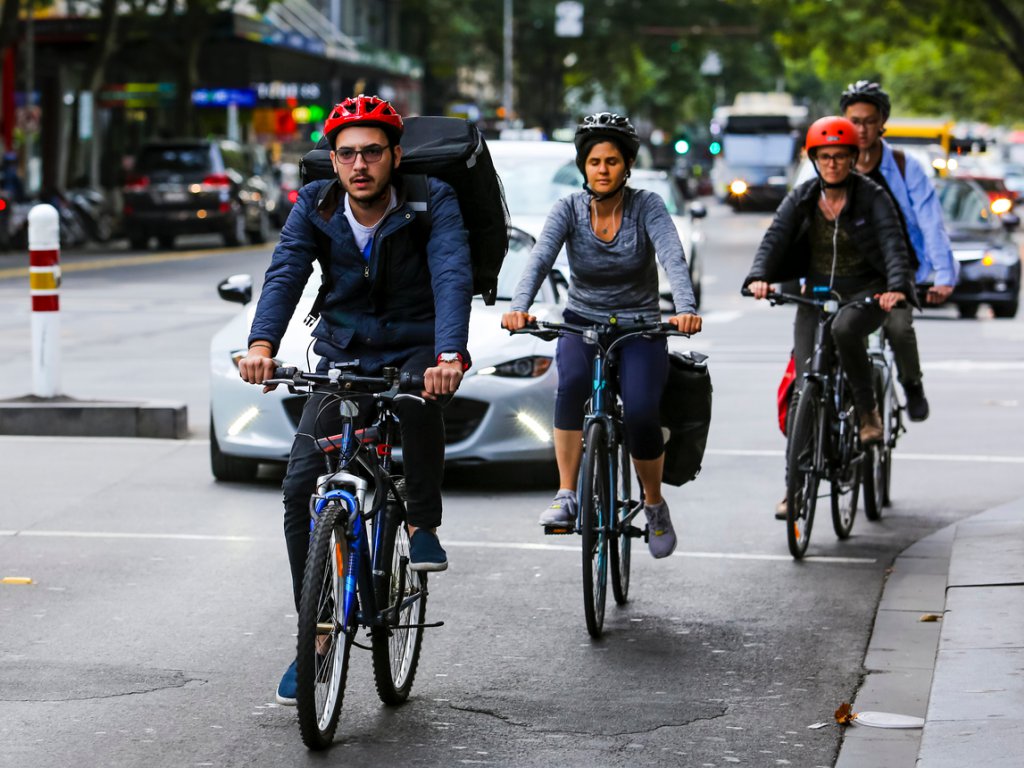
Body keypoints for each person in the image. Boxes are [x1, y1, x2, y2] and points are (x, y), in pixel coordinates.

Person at [237, 94, 473, 705]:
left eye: (371, 152)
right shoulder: (315, 204)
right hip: (343, 350)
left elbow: (451, 273)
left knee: (418, 404)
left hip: (416, 345)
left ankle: (421, 521)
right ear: (333, 160)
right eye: (347, 154)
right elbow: (286, 271)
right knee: (300, 486)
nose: (359, 165)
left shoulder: (432, 200)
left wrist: (449, 355)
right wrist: (261, 345)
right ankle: (315, 637)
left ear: (395, 155)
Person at [501, 112, 702, 559]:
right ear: (584, 167)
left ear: (627, 165)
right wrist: (519, 307)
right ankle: (566, 494)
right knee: (572, 384)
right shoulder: (569, 209)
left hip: (640, 326)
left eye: (612, 161)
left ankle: (654, 504)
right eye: (595, 162)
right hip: (583, 321)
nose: (603, 169)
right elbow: (539, 259)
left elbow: (672, 256)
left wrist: (685, 310)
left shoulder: (647, 206)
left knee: (643, 412)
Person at [743, 116, 915, 519]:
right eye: (825, 157)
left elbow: (893, 244)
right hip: (816, 294)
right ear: (814, 159)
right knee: (803, 386)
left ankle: (867, 414)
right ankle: (795, 490)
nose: (832, 164)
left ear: (853, 158)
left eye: (840, 156)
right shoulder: (803, 196)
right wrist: (758, 277)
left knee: (845, 329)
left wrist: (896, 287)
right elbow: (775, 236)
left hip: (866, 292)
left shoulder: (872, 196)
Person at [840, 80, 958, 422]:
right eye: (854, 121)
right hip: (846, 267)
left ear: (883, 123)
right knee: (832, 330)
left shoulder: (907, 167)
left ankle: (912, 383)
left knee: (898, 328)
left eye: (869, 121)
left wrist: (943, 276)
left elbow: (931, 223)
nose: (861, 129)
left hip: (896, 269)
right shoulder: (831, 162)